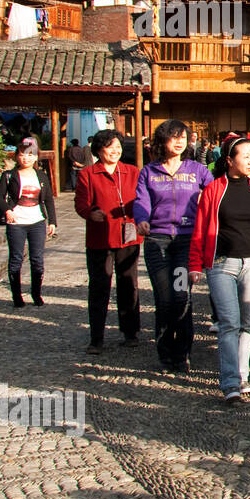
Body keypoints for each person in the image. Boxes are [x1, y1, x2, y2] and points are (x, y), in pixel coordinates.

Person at [188, 137, 250, 403]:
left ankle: (242, 373)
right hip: (221, 264)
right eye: (245, 156)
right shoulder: (215, 189)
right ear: (229, 160)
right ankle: (229, 382)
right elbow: (200, 229)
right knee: (229, 323)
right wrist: (194, 264)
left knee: (247, 323)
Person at [134, 120, 213, 371]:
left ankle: (183, 352)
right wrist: (142, 219)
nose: (179, 141)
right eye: (173, 137)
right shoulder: (149, 171)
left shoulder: (197, 170)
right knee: (164, 298)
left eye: (183, 137)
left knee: (181, 296)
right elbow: (141, 201)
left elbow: (215, 195)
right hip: (157, 242)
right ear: (162, 141)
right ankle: (165, 349)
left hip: (185, 242)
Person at [75, 129, 143, 354]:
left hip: (129, 233)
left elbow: (143, 198)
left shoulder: (132, 171)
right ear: (98, 150)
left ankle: (131, 332)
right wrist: (90, 212)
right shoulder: (88, 174)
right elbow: (81, 203)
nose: (115, 150)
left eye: (118, 146)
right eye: (110, 146)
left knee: (128, 283)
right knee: (99, 286)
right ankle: (96, 338)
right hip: (101, 236)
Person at [0, 137, 56, 308]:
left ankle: (36, 294)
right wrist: (7, 210)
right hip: (16, 222)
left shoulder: (41, 175)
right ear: (16, 157)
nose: (26, 158)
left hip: (37, 220)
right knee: (16, 259)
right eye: (22, 155)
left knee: (37, 260)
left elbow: (49, 200)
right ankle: (17, 296)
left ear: (36, 157)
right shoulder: (9, 175)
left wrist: (52, 221)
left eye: (30, 155)